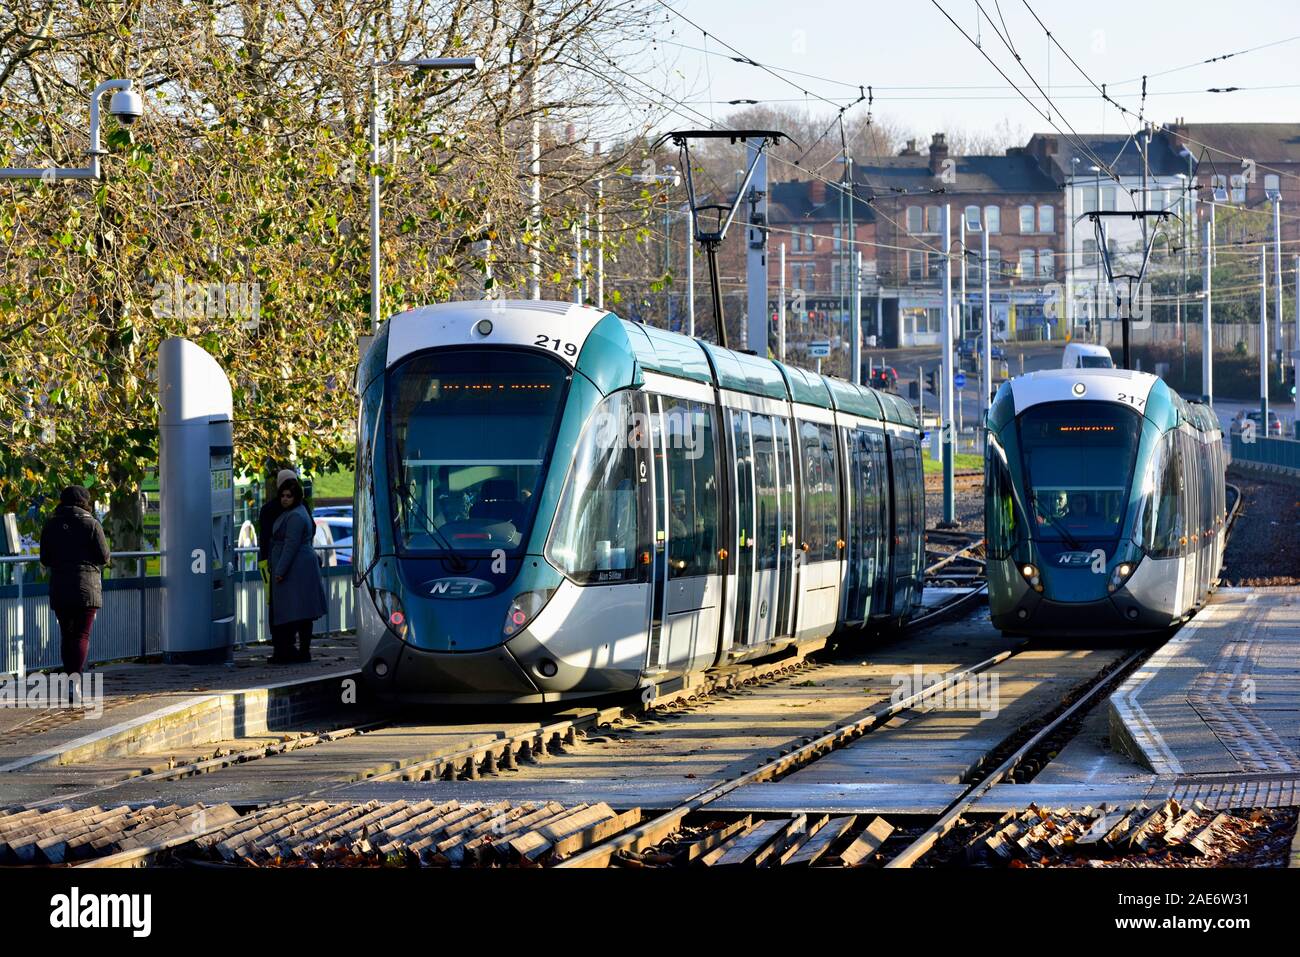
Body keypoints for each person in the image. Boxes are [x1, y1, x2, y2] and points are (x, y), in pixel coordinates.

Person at [39, 486, 110, 674]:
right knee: (81, 635)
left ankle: (69, 678)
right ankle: (75, 680)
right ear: (85, 502)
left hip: (60, 586)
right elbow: (104, 557)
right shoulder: (92, 524)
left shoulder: (51, 524)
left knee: (66, 634)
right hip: (86, 588)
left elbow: (45, 558)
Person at [269, 476, 327, 664]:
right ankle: (302, 651)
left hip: (295, 569)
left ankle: (296, 651)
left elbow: (290, 545)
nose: (284, 499)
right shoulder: (300, 511)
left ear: (296, 497)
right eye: (283, 495)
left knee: (293, 611)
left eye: (289, 496)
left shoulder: (294, 516)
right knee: (303, 612)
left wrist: (280, 570)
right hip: (301, 567)